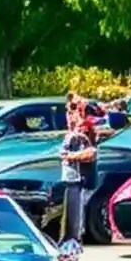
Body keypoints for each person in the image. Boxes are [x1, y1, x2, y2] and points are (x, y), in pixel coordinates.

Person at [59, 99, 97, 243]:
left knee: (76, 213)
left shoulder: (84, 129)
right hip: (70, 179)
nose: (68, 116)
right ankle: (69, 238)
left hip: (79, 180)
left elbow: (90, 153)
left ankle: (74, 240)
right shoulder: (71, 132)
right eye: (68, 112)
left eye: (72, 111)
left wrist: (69, 156)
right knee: (69, 213)